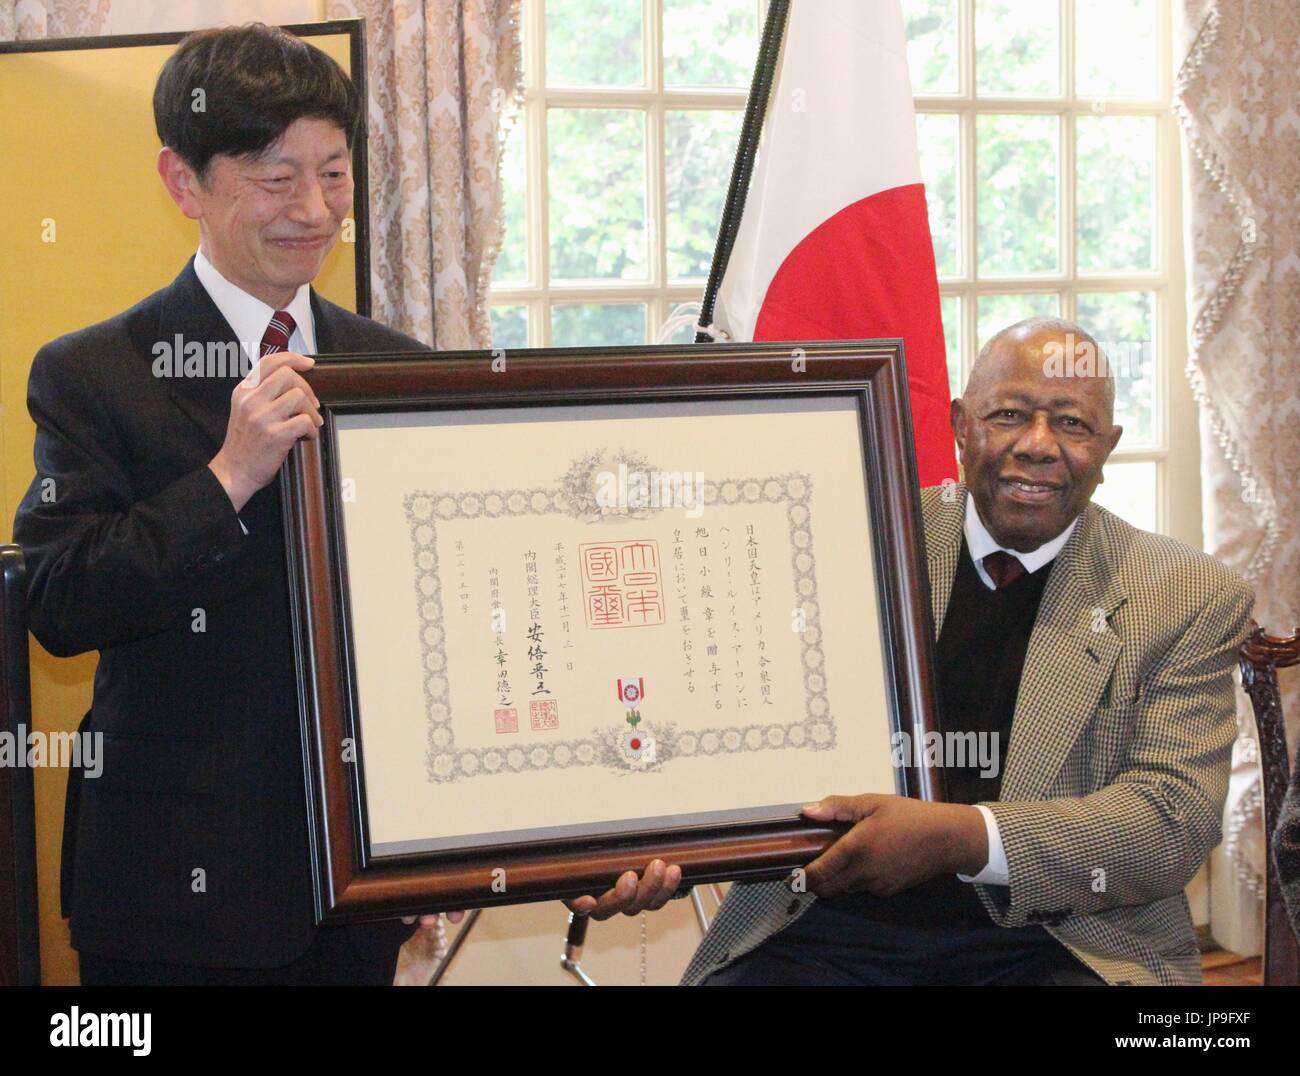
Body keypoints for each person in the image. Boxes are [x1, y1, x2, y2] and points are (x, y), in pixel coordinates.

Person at [13, 24, 442, 985]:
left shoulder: (396, 370)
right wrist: (228, 477)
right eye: (273, 175)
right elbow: (60, 601)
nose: (313, 208)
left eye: (332, 173)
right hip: (168, 897)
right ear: (184, 183)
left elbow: (426, 631)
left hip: (352, 894)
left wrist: (431, 833)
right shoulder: (93, 372)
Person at [676, 317, 1255, 986]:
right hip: (825, 929)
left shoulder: (1188, 595)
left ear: (1109, 446)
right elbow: (733, 735)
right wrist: (641, 845)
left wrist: (959, 837)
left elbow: (1168, 824)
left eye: (1072, 424)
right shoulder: (850, 540)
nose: (1039, 447)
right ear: (960, 424)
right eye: (1009, 414)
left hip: (1060, 943)